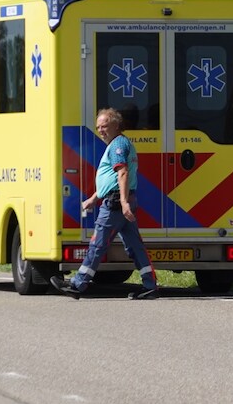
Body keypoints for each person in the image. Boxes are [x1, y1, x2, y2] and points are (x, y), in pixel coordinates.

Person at [50, 108, 159, 300]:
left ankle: (78, 284)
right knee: (135, 246)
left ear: (116, 125)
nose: (101, 130)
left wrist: (123, 202)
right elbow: (110, 178)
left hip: (116, 203)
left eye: (105, 126)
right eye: (98, 127)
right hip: (120, 200)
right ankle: (150, 285)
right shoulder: (120, 144)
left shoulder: (118, 145)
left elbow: (122, 173)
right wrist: (93, 199)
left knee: (97, 244)